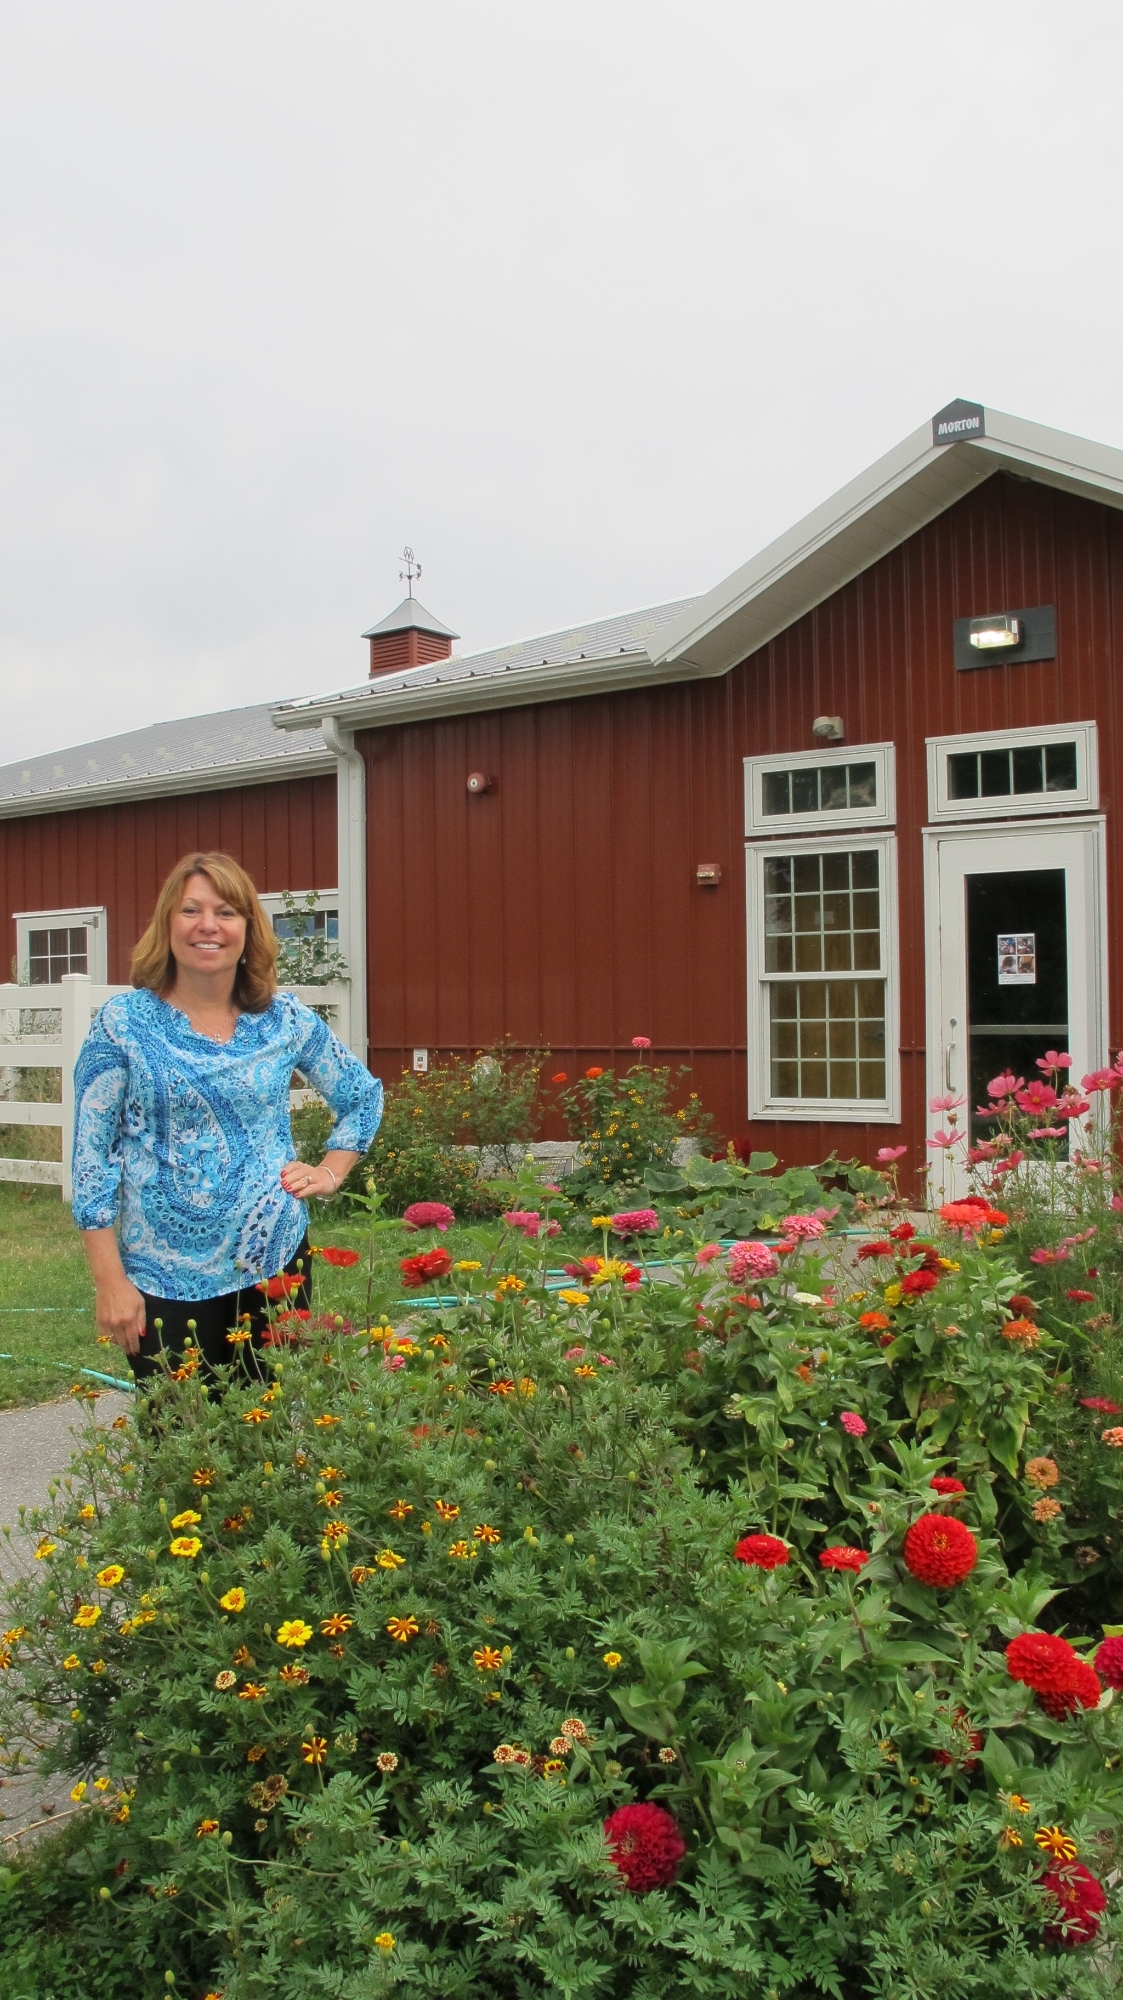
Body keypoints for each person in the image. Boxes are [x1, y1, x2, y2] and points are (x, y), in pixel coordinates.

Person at [72, 851, 382, 1379]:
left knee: (268, 1422)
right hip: (161, 1279)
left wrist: (330, 1172)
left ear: (247, 928)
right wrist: (110, 1281)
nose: (208, 926)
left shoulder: (284, 1020)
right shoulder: (122, 1025)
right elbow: (92, 1159)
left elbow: (362, 1097)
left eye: (226, 912)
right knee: (181, 1427)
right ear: (168, 923)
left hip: (275, 1265)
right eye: (191, 910)